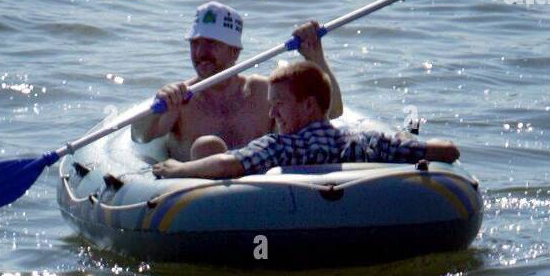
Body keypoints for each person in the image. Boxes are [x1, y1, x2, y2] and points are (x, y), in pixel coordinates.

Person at [151, 62, 459, 179]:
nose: (272, 114)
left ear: (309, 105)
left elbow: (225, 165)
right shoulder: (367, 141)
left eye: (279, 105)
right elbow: (447, 150)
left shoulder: (281, 147)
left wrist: (177, 168)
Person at [131, 0, 343, 161]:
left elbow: (332, 111)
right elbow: (140, 136)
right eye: (194, 44)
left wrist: (315, 57)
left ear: (234, 52)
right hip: (197, 200)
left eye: (211, 43)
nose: (200, 52)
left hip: (261, 194)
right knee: (208, 146)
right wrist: (158, 106)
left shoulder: (263, 91)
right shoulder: (181, 98)